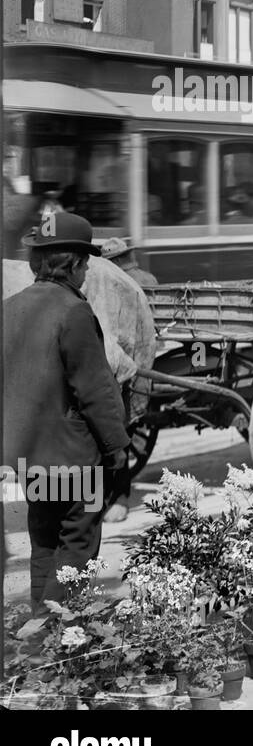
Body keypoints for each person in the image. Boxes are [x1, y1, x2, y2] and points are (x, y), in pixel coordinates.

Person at [3, 213, 130, 607]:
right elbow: (94, 390)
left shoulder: (8, 308)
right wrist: (117, 447)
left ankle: (37, 628)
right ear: (72, 265)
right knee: (77, 545)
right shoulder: (74, 311)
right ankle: (60, 635)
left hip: (31, 459)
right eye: (86, 264)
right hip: (75, 462)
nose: (87, 271)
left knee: (43, 542)